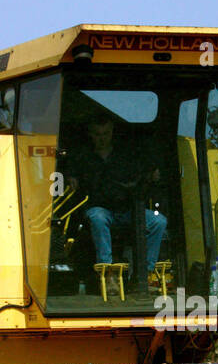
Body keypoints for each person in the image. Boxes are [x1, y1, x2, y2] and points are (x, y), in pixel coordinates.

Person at [67, 116, 167, 276]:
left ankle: (146, 273)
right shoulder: (82, 158)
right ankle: (107, 271)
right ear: (90, 134)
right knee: (98, 217)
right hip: (99, 209)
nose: (102, 138)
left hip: (128, 210)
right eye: (98, 134)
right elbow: (70, 176)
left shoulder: (125, 157)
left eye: (105, 134)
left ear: (112, 132)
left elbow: (143, 175)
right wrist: (71, 178)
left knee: (159, 221)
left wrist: (151, 176)